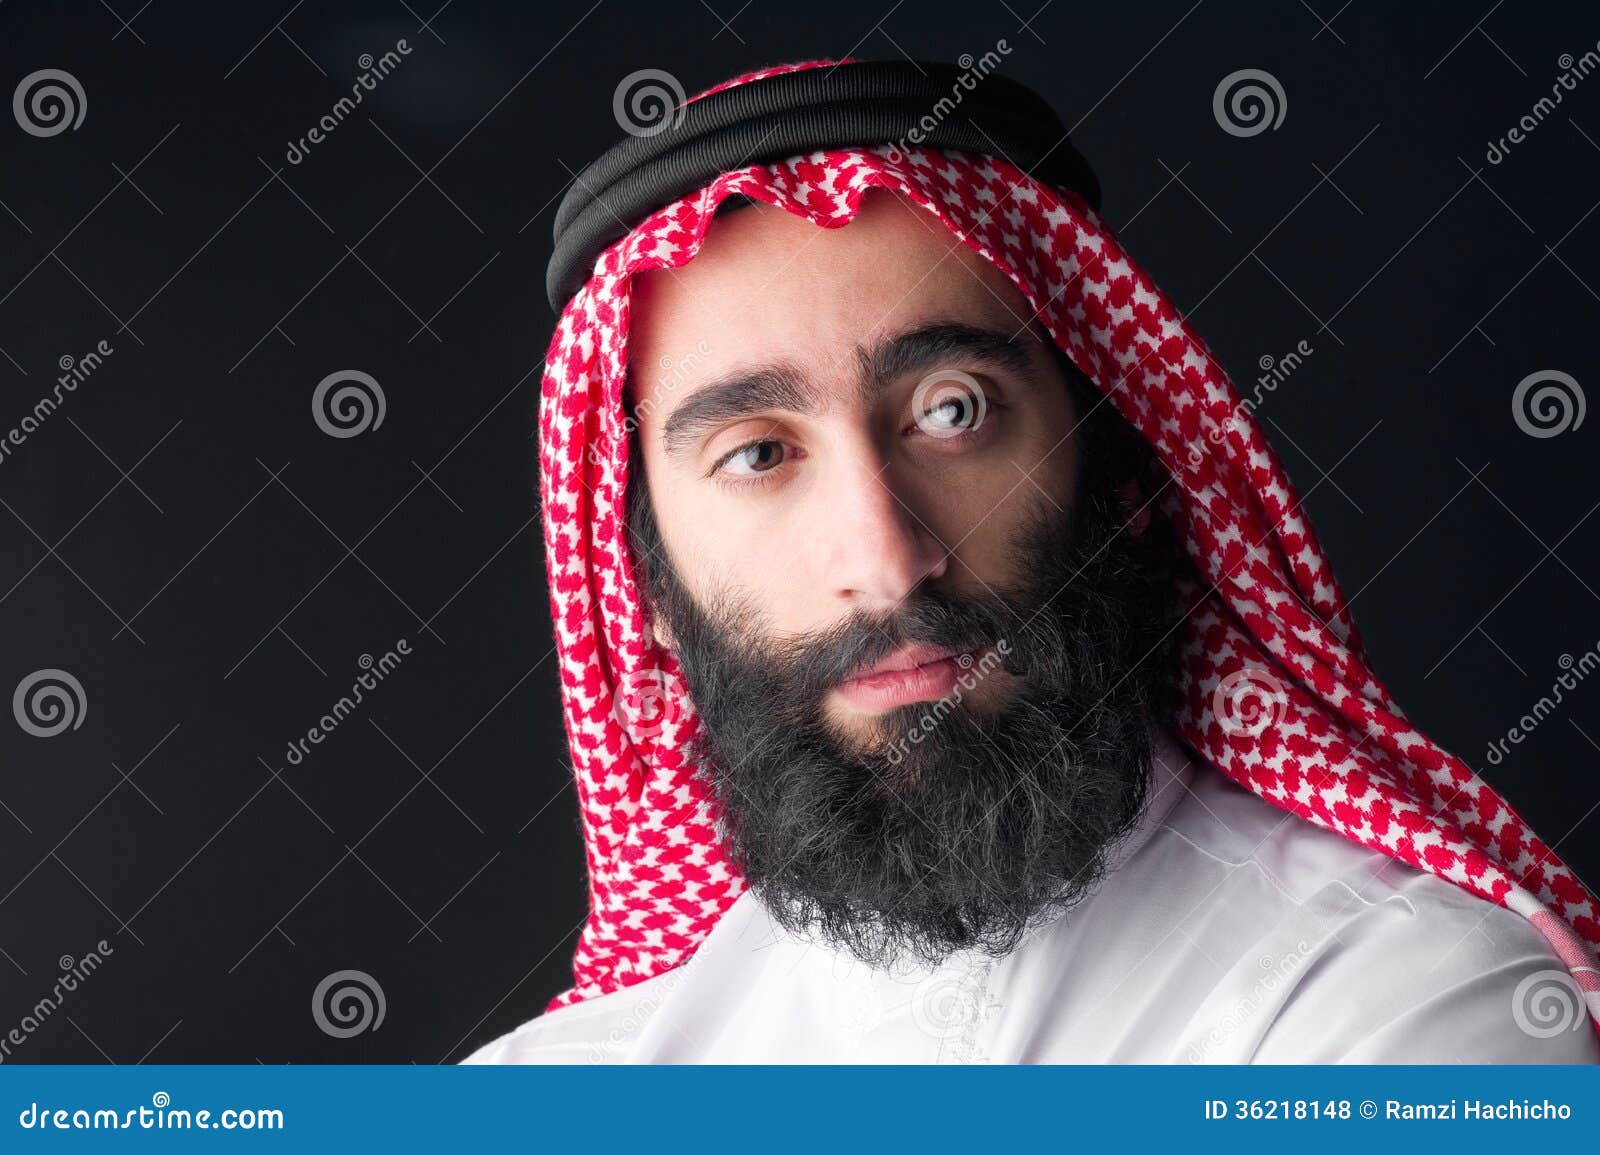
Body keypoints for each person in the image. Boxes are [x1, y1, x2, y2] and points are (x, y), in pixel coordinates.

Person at [465, 58, 1600, 1063]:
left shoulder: (1396, 1005)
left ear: (1123, 474)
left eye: (953, 410)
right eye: (758, 454)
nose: (887, 559)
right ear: (649, 590)